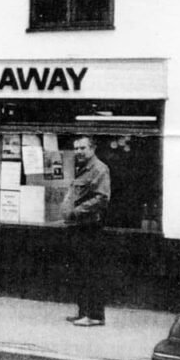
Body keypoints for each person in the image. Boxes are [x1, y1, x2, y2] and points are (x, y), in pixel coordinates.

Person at [62, 135, 111, 327]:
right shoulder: (81, 169)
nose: (79, 152)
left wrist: (75, 212)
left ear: (92, 149)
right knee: (80, 271)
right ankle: (83, 312)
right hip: (78, 227)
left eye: (82, 148)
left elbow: (101, 198)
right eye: (76, 148)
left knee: (91, 271)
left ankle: (95, 316)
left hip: (90, 227)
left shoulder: (99, 169)